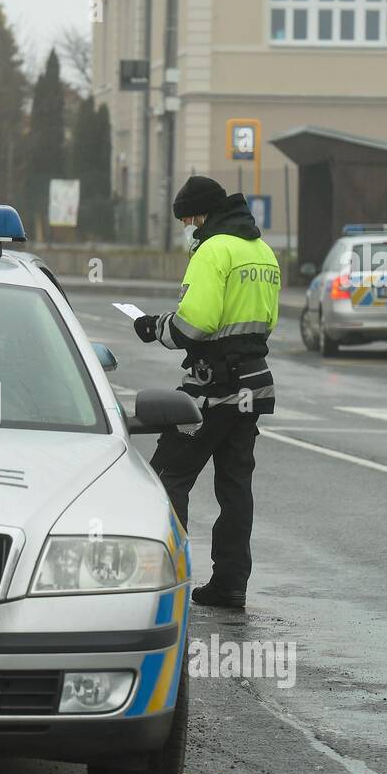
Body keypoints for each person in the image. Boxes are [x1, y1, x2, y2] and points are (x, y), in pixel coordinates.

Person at [133, 176, 280, 611]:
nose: (187, 227)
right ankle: (230, 583)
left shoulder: (213, 249)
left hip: (212, 387)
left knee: (167, 478)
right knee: (235, 488)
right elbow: (264, 320)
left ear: (201, 213)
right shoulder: (261, 250)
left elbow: (193, 324)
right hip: (254, 383)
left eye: (187, 219)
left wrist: (153, 326)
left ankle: (166, 578)